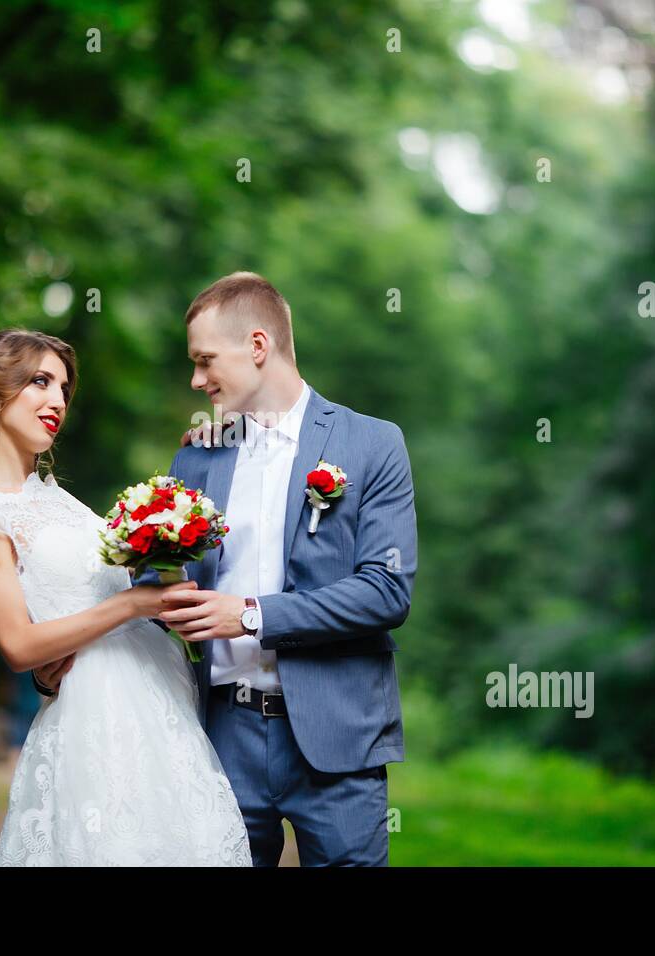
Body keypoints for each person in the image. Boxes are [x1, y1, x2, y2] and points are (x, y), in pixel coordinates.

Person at [32, 272, 418, 866]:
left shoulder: (372, 444)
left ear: (258, 347)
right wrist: (79, 655)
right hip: (220, 736)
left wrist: (251, 614)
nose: (196, 378)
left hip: (339, 737)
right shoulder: (197, 453)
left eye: (205, 360)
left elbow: (386, 591)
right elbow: (156, 594)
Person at [0, 328, 251, 866]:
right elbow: (18, 644)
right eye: (39, 382)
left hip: (157, 701)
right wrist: (129, 607)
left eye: (63, 389)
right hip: (95, 720)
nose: (57, 401)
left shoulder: (57, 499)